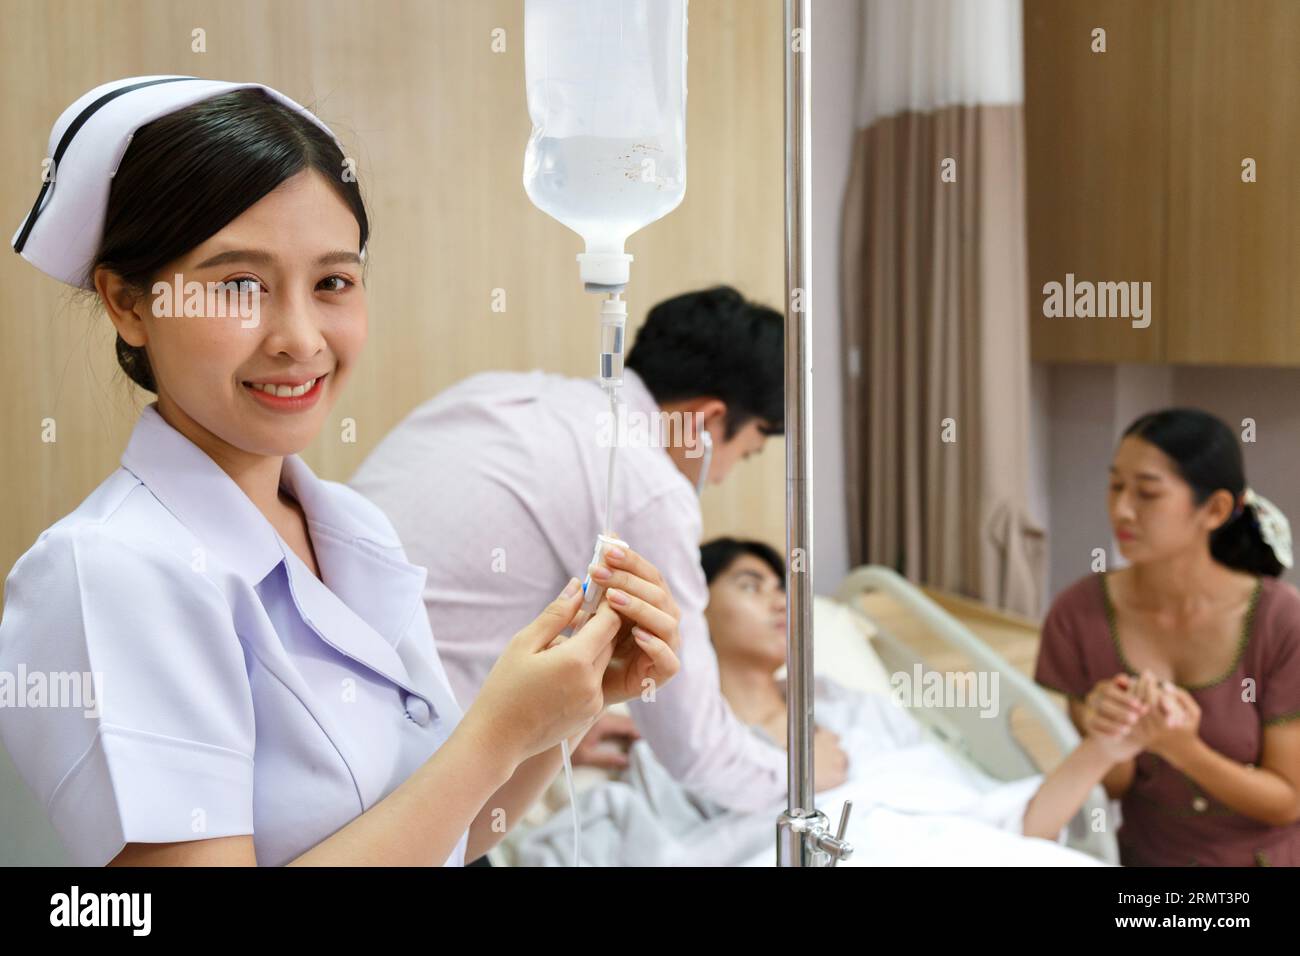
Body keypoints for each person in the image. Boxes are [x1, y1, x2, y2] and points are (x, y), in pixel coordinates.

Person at [0, 75, 681, 867]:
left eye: (332, 283)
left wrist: (561, 718)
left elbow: (448, 841)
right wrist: (496, 732)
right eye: (239, 286)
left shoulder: (354, 529)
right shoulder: (109, 572)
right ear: (127, 303)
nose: (299, 337)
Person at [349, 287, 848, 812]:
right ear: (706, 422)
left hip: (315, 712)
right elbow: (696, 749)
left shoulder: (497, 394)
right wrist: (800, 773)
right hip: (391, 784)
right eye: (742, 455)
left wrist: (553, 727)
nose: (720, 477)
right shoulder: (644, 486)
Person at [700, 537, 1162, 845]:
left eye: (783, 588)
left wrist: (1103, 749)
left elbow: (1001, 823)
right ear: (693, 604)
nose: (781, 600)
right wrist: (790, 780)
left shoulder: (849, 708)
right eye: (750, 586)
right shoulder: (682, 745)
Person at [1035, 408, 1300, 865]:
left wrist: (1183, 750)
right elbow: (1115, 787)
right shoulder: (1078, 615)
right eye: (1116, 486)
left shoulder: (1281, 622)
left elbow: (1286, 801)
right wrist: (1107, 737)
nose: (1121, 509)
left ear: (1215, 509)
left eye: (1147, 493)